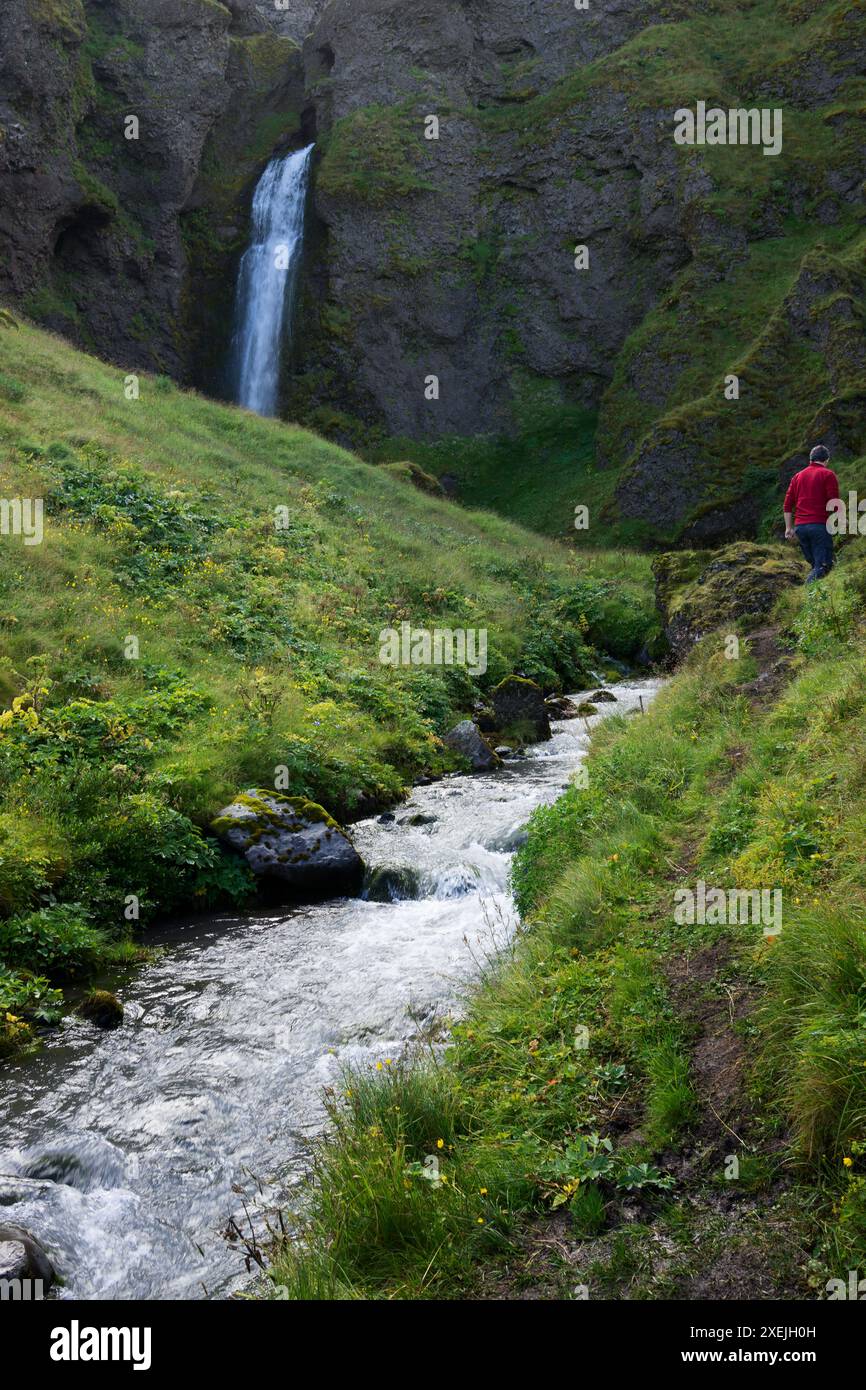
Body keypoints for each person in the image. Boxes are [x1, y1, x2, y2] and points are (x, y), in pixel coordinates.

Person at [783, 444, 840, 582]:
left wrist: (788, 528)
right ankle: (806, 598)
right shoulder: (827, 474)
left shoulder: (797, 477)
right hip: (819, 527)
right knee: (823, 566)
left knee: (816, 565)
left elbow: (787, 505)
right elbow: (834, 502)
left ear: (811, 459)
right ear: (826, 460)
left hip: (800, 529)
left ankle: (818, 600)